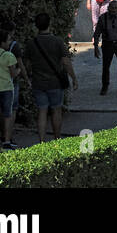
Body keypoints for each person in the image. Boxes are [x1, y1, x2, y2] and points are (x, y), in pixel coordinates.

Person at [27, 12, 78, 142]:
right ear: (49, 24)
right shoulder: (57, 41)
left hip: (38, 83)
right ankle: (57, 139)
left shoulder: (32, 43)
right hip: (55, 82)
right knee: (56, 110)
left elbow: (27, 63)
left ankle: (42, 141)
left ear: (36, 26)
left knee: (42, 111)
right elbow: (66, 62)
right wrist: (74, 78)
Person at [93, 0, 117, 97]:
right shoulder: (102, 18)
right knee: (106, 67)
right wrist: (96, 48)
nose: (114, 10)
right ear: (108, 8)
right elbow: (97, 34)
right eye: (112, 8)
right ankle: (105, 86)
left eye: (116, 8)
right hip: (107, 45)